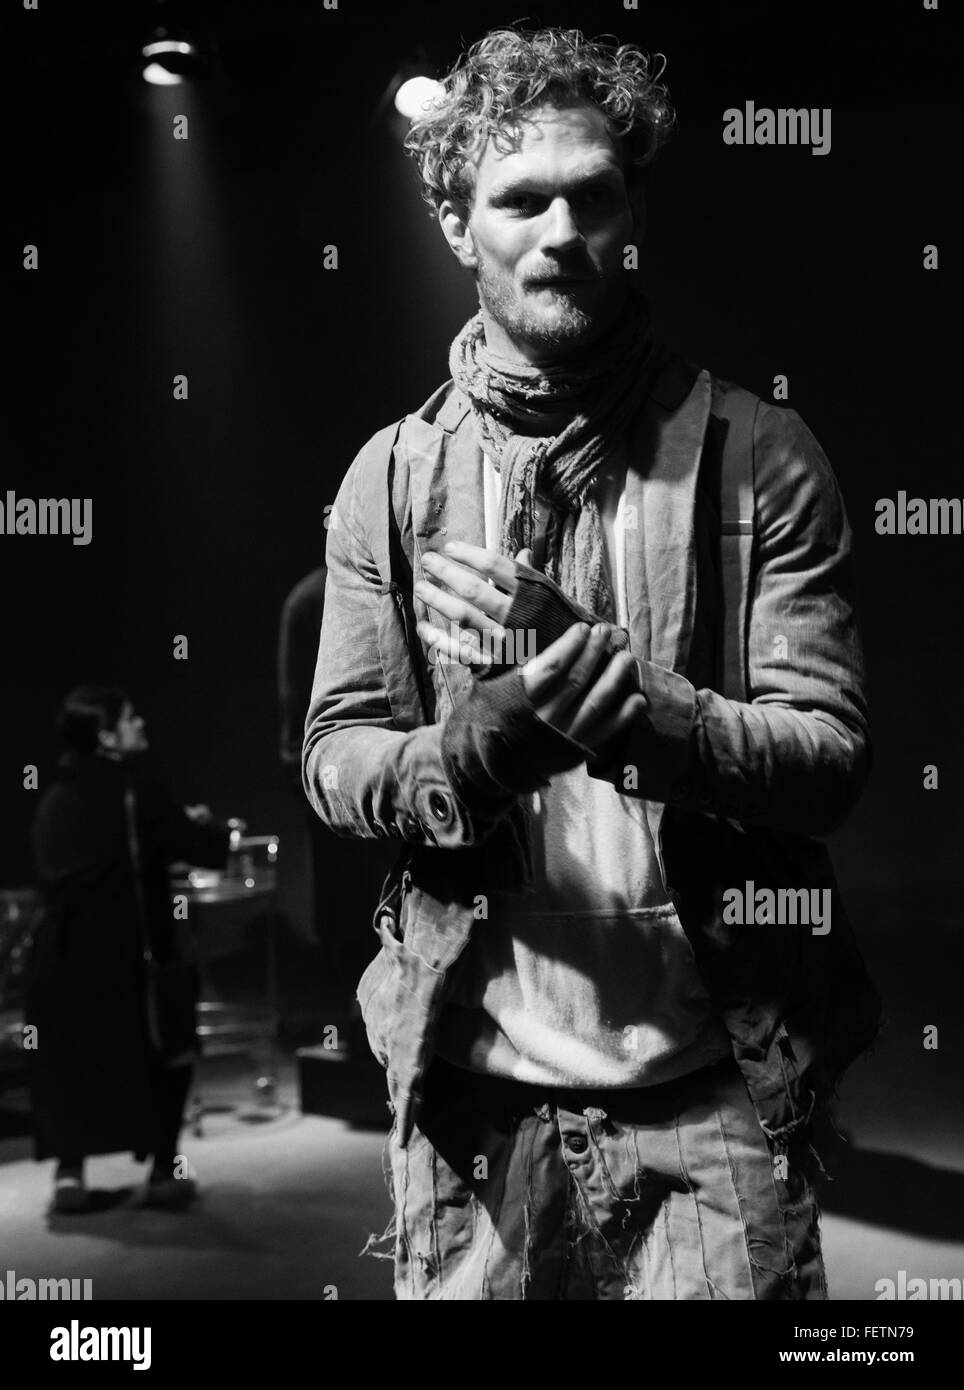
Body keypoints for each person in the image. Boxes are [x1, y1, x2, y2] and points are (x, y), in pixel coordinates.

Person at [303, 27, 880, 1299]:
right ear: (456, 227)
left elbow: (828, 760)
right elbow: (335, 760)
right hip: (472, 1110)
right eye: (520, 199)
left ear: (633, 215)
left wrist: (621, 703)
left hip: (712, 1103)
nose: (561, 231)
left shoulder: (758, 453)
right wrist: (473, 751)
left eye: (593, 195)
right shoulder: (388, 478)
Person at [26, 685, 230, 1212]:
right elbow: (204, 850)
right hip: (134, 958)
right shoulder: (139, 791)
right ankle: (163, 1170)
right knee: (169, 1050)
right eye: (131, 717)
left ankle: (70, 1174)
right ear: (107, 736)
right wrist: (210, 826)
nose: (142, 724)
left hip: (63, 960)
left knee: (74, 1062)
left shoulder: (53, 799)